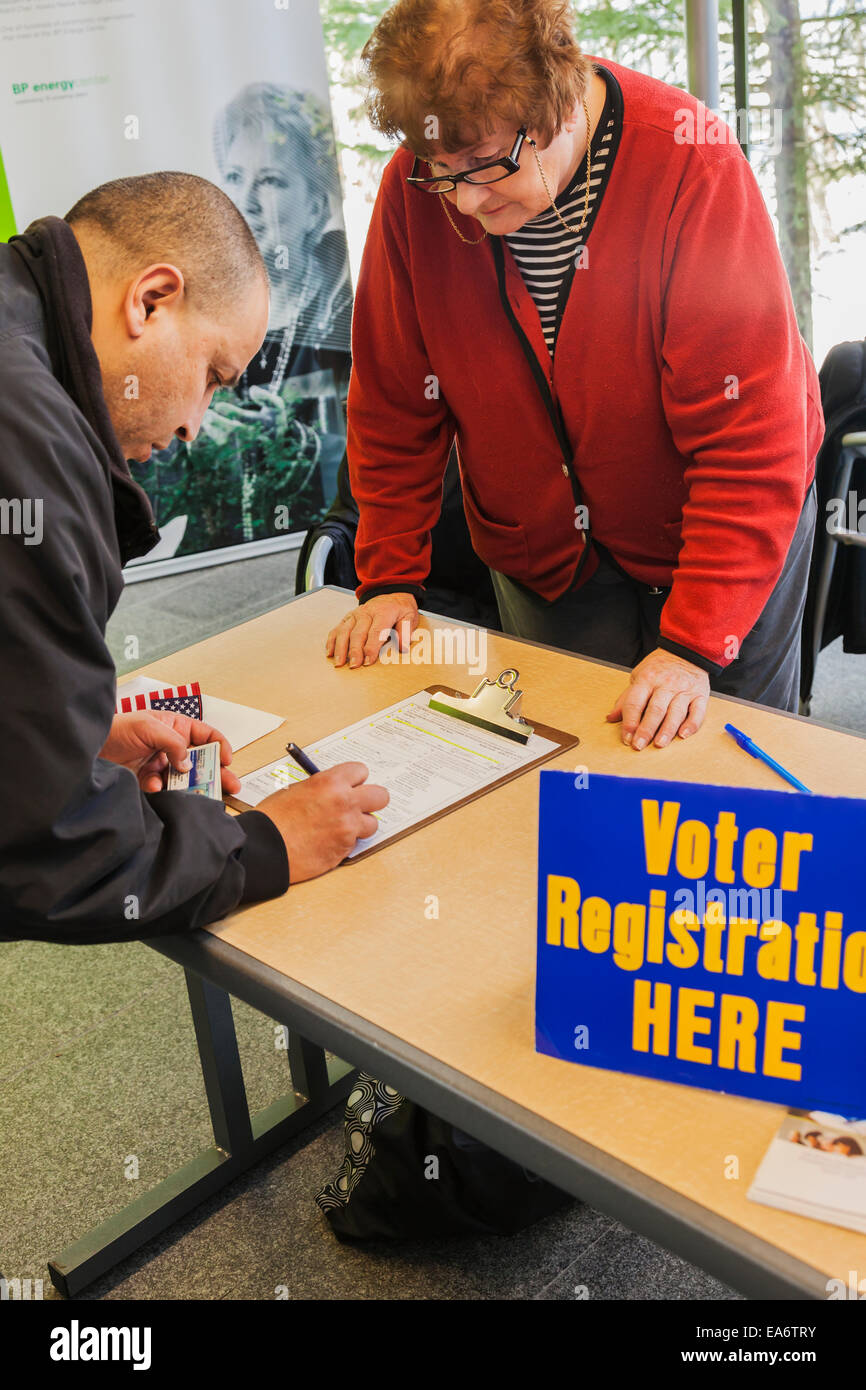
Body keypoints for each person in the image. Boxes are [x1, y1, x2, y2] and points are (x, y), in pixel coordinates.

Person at [326, 0, 825, 754]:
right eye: (442, 175)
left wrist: (692, 645)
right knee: (566, 757)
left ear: (558, 102)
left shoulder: (692, 165)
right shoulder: (417, 186)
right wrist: (390, 574)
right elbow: (395, 401)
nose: (465, 200)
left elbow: (752, 439)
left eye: (489, 168)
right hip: (544, 547)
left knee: (719, 773)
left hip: (723, 535)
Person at [0, 171, 387, 946]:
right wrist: (267, 845)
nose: (196, 426)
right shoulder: (28, 448)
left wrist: (74, 733)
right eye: (213, 375)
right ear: (151, 300)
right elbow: (57, 853)